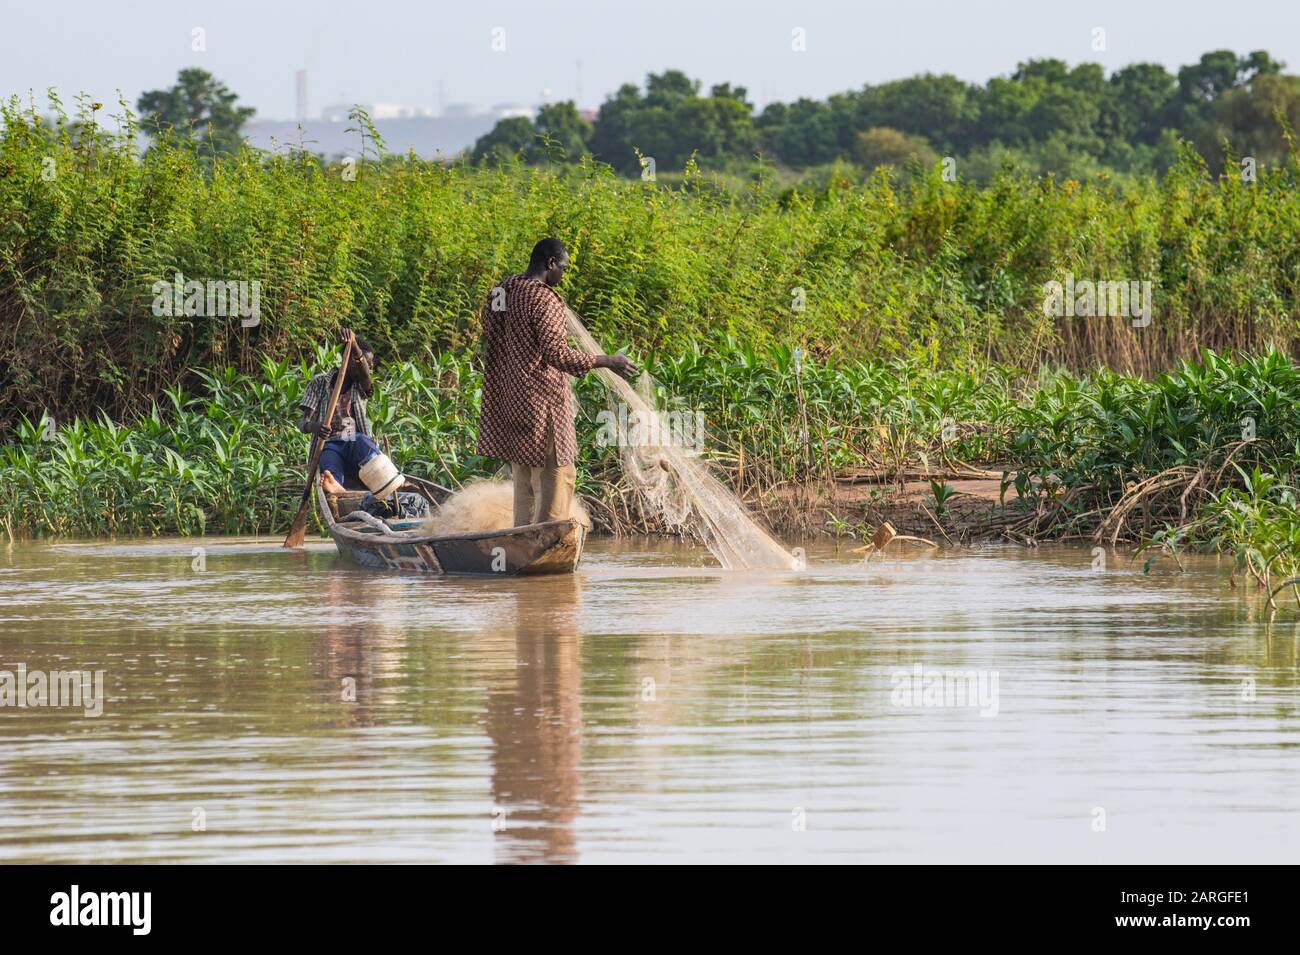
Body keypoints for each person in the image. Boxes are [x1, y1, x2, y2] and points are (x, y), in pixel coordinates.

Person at [478, 238, 637, 527]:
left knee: (524, 479)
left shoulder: (503, 291)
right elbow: (557, 354)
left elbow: (490, 327)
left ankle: (521, 540)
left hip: (512, 402)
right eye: (562, 268)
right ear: (550, 264)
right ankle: (546, 541)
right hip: (543, 405)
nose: (563, 276)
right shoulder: (543, 298)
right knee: (557, 474)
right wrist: (607, 361)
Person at [298, 329, 403, 501]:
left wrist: (354, 345)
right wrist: (315, 426)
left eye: (368, 364)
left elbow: (365, 376)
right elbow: (303, 423)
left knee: (364, 443)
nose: (368, 368)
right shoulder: (319, 383)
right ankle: (336, 489)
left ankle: (388, 483)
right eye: (364, 363)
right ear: (347, 362)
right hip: (330, 442)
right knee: (329, 467)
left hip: (353, 439)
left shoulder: (361, 385)